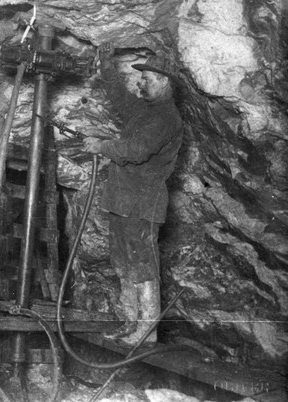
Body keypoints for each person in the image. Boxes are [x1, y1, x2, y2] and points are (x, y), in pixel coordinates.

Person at [83, 43, 184, 347]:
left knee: (142, 263)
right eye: (141, 78)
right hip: (123, 199)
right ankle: (131, 323)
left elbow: (138, 151)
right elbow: (118, 98)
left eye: (147, 79)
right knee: (122, 262)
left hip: (143, 203)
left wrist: (102, 146)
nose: (141, 83)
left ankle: (147, 330)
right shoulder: (145, 109)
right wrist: (105, 66)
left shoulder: (165, 118)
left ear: (165, 81)